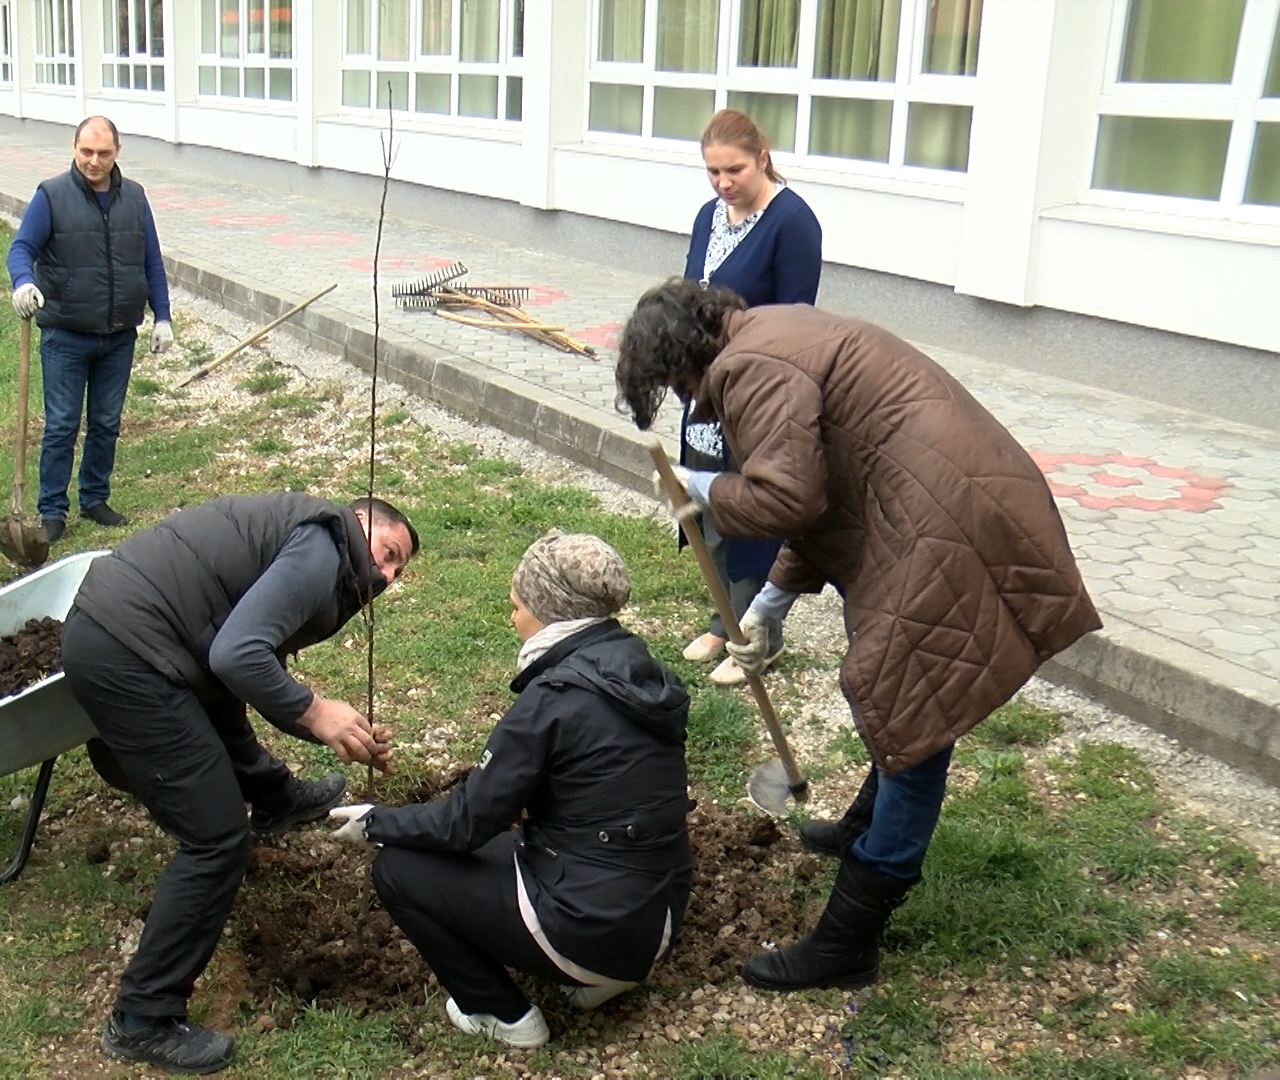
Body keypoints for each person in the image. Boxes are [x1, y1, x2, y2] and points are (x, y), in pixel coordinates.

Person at [614, 279, 1101, 992]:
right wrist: (770, 603)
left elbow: (789, 496)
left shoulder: (750, 367)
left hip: (948, 524)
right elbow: (824, 494)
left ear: (689, 355)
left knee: (907, 701)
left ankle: (850, 939)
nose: (690, 398)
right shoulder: (775, 334)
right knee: (910, 692)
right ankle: (862, 830)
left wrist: (705, 489)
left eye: (677, 382)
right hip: (954, 503)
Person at [61, 493, 419, 1073]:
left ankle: (276, 799)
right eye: (389, 552)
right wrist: (316, 710)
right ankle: (142, 1017)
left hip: (146, 636)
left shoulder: (315, 542)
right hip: (128, 651)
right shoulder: (323, 551)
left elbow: (245, 666)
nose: (388, 575)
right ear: (359, 523)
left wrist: (323, 724)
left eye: (398, 570)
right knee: (216, 838)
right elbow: (237, 655)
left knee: (221, 702)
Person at [328, 531, 693, 1050]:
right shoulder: (647, 676)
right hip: (655, 920)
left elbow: (466, 823)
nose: (513, 620)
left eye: (517, 606)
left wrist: (377, 822)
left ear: (550, 613)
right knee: (518, 848)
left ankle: (502, 1014)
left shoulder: (554, 699)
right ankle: (604, 978)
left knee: (399, 870)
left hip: (590, 928)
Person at [678, 109, 822, 687]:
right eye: (712, 171)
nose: (722, 183)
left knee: (749, 514)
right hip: (703, 389)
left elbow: (796, 320)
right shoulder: (708, 216)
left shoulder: (792, 222)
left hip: (756, 393)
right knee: (705, 509)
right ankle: (723, 620)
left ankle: (760, 637)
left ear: (761, 156)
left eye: (733, 169)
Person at [6, 115, 172, 545]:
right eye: (86, 152)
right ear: (73, 149)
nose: (93, 161)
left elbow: (150, 259)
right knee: (61, 424)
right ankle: (52, 510)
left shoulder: (134, 198)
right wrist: (23, 281)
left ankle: (95, 498)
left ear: (118, 152)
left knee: (105, 421)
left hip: (118, 334)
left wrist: (164, 316)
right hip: (66, 334)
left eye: (103, 153)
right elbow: (21, 248)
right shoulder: (52, 196)